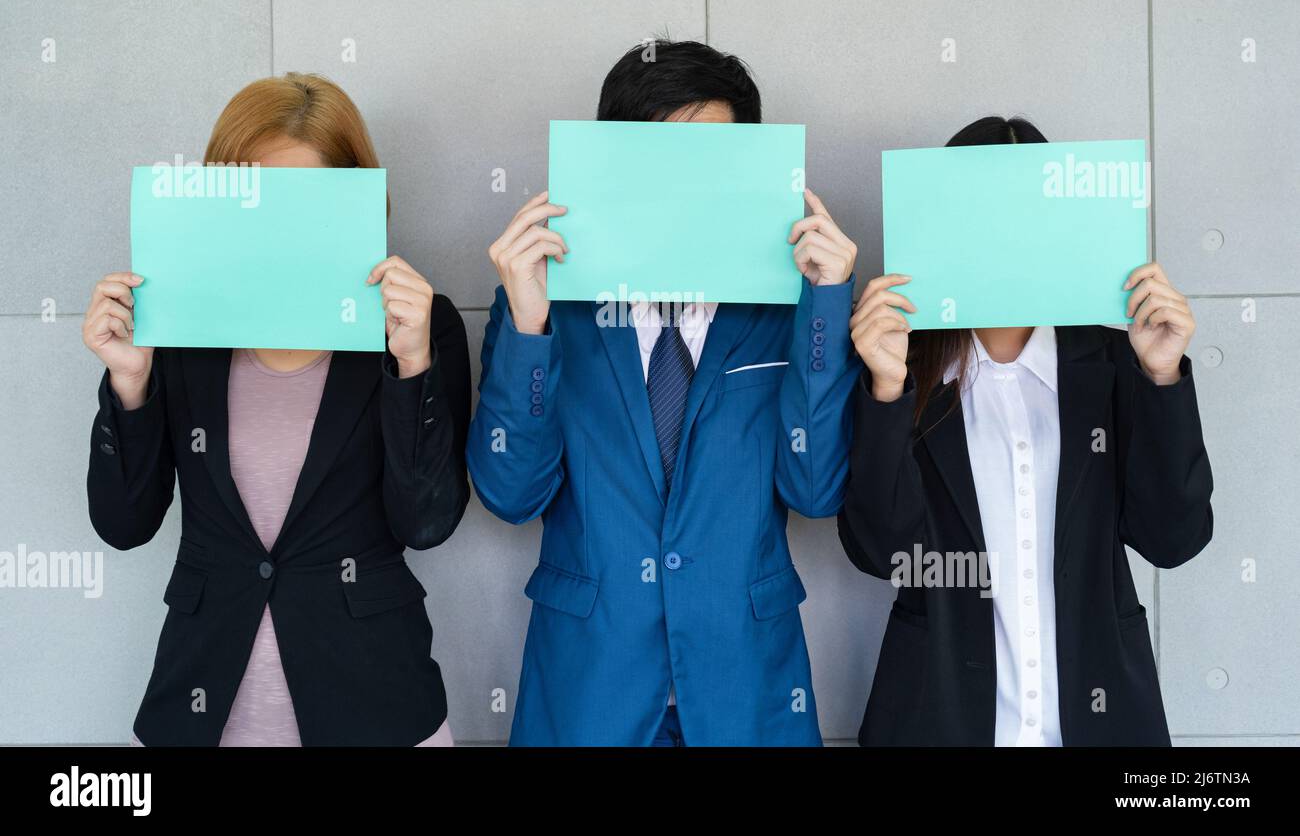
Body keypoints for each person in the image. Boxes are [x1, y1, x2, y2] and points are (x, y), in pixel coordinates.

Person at [468, 40, 859, 745]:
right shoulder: (552, 309)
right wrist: (528, 323)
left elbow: (814, 489)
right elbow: (510, 492)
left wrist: (826, 307)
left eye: (710, 165)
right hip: (590, 693)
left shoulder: (785, 309)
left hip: (747, 694)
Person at [83, 73, 471, 746]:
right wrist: (130, 387)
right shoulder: (178, 327)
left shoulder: (415, 324)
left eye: (308, 203)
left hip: (375, 705)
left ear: (357, 200)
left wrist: (412, 367)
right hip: (208, 705)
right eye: (256, 199)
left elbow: (426, 522)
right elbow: (123, 525)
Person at [838, 116, 1213, 746]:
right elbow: (879, 552)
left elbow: (1173, 539)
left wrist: (1163, 374)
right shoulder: (904, 371)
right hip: (938, 718)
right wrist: (885, 389)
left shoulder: (1111, 364)